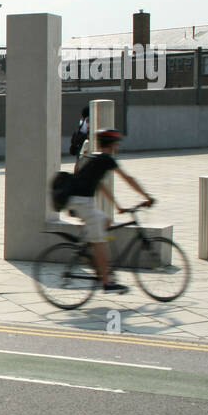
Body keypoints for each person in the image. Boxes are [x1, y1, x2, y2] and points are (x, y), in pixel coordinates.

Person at [66, 129, 153, 294]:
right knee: (101, 241)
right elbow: (128, 179)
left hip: (80, 201)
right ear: (112, 144)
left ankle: (89, 254)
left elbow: (100, 185)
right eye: (116, 144)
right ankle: (107, 282)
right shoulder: (105, 159)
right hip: (82, 203)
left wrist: (117, 205)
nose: (117, 147)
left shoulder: (94, 157)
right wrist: (146, 196)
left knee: (105, 220)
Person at [70, 106, 90, 172]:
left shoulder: (82, 120)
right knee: (84, 160)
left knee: (79, 160)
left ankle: (76, 174)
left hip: (79, 143)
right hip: (84, 143)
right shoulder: (88, 120)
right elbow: (88, 130)